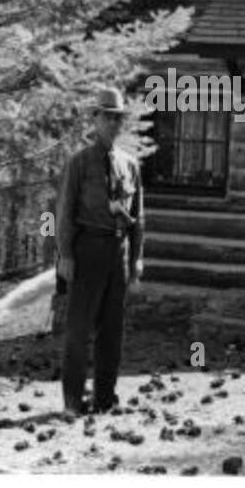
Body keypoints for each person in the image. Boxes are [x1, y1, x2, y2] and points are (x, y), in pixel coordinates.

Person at [55, 87, 144, 415]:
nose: (112, 123)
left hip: (117, 253)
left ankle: (105, 400)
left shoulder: (130, 165)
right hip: (87, 249)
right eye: (106, 116)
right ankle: (72, 403)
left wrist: (136, 259)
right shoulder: (78, 163)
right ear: (94, 119)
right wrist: (65, 254)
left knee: (112, 331)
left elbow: (139, 218)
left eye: (117, 118)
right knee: (78, 330)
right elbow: (64, 212)